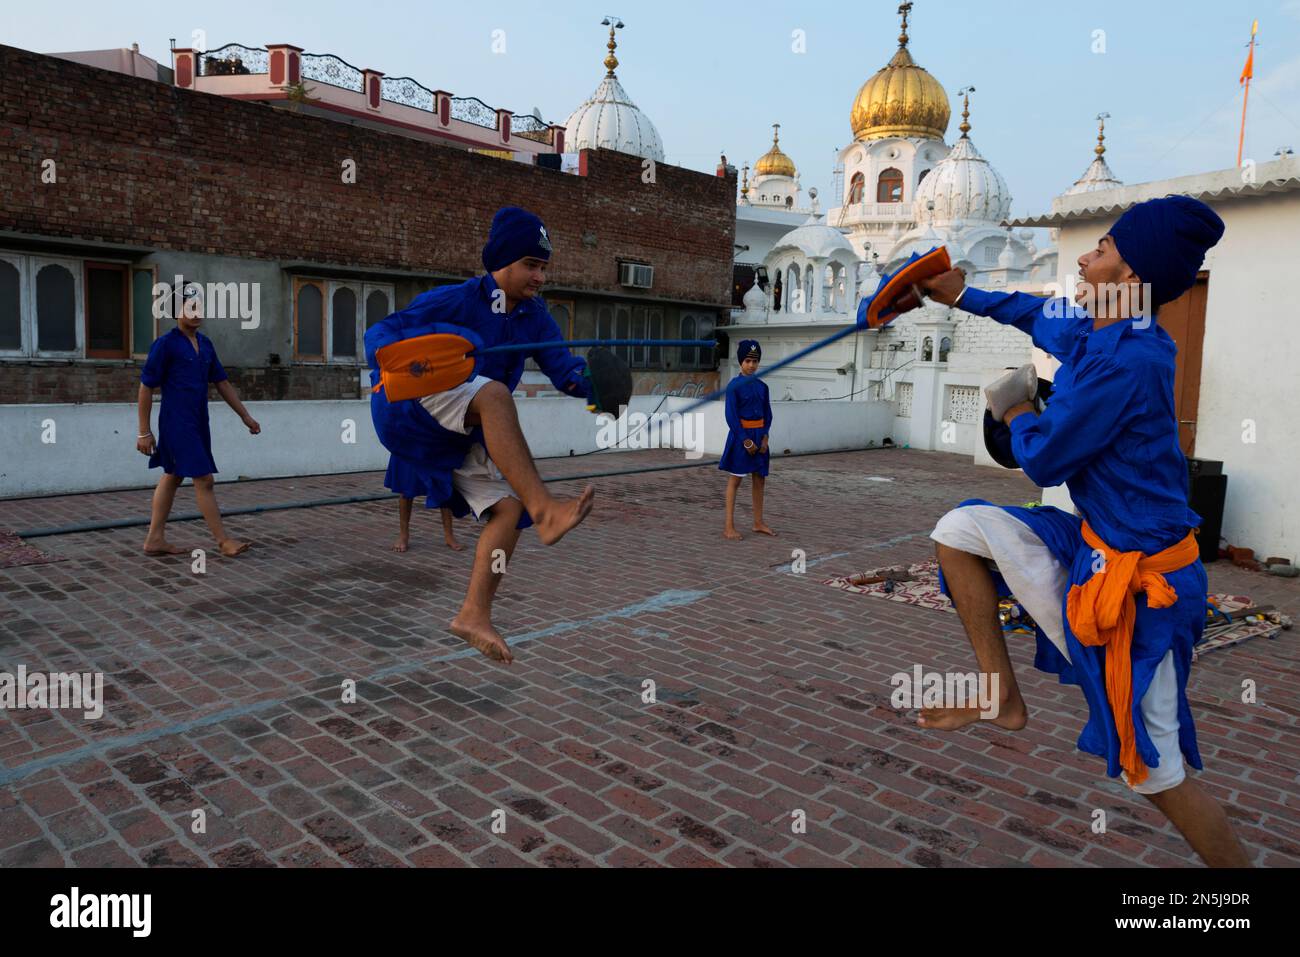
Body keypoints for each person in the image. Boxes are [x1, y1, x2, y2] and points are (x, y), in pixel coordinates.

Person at [917, 195, 1249, 866]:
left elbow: (1042, 457)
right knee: (959, 529)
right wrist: (961, 294)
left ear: (1130, 277)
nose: (1085, 255)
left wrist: (1013, 410)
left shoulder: (1129, 362)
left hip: (1143, 591)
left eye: (1101, 247)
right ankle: (999, 693)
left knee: (1155, 776)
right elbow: (1041, 315)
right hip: (1095, 549)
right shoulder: (1106, 328)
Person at [365, 207, 597, 664]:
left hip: (457, 431)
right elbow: (380, 335)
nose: (539, 277)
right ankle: (547, 509)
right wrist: (424, 351)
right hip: (408, 410)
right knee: (494, 394)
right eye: (531, 265)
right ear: (501, 263)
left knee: (508, 511)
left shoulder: (535, 317)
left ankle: (473, 614)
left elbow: (565, 371)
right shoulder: (456, 299)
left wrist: (599, 385)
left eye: (544, 267)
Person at [137, 283, 260, 558]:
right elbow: (146, 387)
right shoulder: (165, 345)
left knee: (173, 475)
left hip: (198, 421)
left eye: (199, 306)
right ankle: (223, 542)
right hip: (176, 422)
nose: (196, 312)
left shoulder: (205, 344)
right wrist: (143, 432)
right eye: (189, 306)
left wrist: (245, 416)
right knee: (203, 479)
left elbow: (222, 382)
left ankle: (154, 539)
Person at [719, 339, 774, 540]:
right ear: (741, 362)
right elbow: (731, 416)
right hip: (741, 438)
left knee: (760, 479)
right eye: (748, 360)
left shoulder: (763, 387)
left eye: (755, 361)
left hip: (760, 437)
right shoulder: (734, 386)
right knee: (735, 480)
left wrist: (765, 436)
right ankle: (728, 527)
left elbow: (768, 414)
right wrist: (745, 440)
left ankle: (758, 522)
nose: (752, 365)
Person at [385, 454, 463, 552]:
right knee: (406, 485)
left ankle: (449, 535)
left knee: (444, 484)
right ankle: (403, 535)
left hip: (434, 443)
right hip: (408, 443)